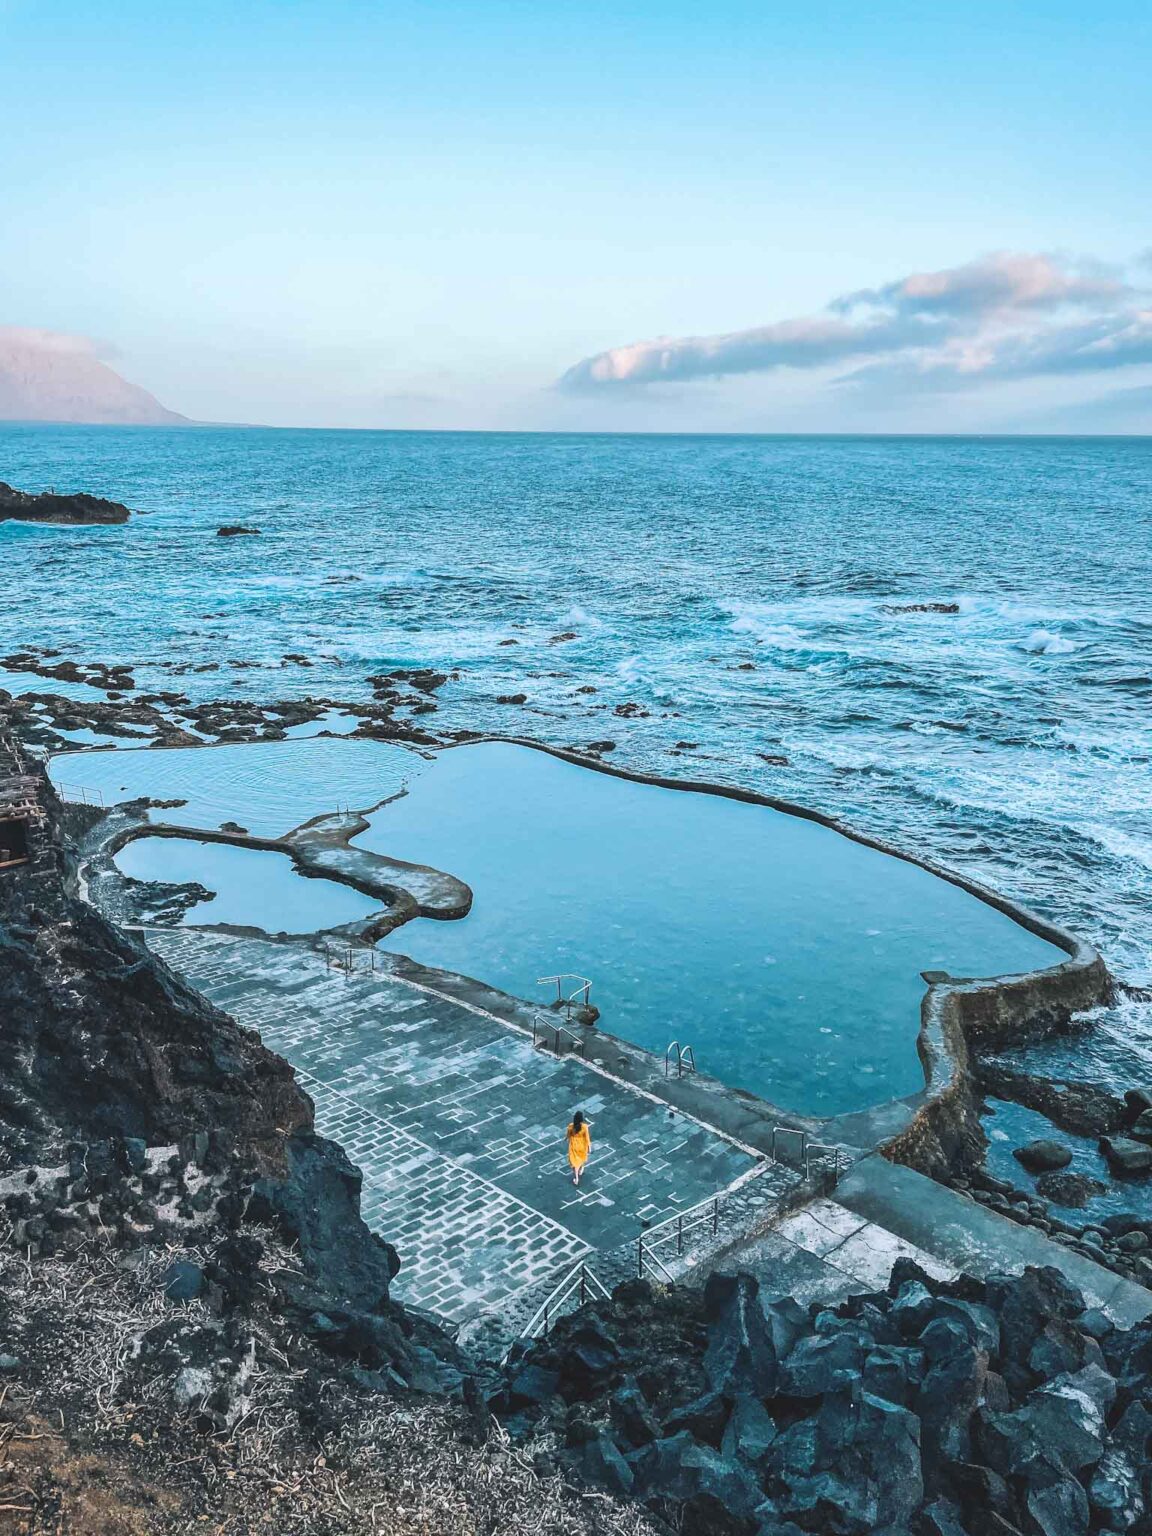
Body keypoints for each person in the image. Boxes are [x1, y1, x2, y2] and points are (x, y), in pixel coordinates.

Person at [566, 1110, 591, 1185]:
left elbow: (568, 1134)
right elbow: (587, 1138)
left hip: (574, 1145)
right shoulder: (585, 1127)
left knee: (575, 1163)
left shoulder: (571, 1126)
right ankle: (582, 1167)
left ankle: (576, 1178)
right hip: (582, 1144)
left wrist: (566, 1138)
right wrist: (589, 1147)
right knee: (582, 1157)